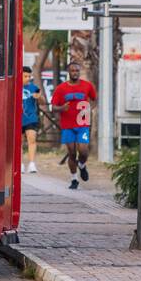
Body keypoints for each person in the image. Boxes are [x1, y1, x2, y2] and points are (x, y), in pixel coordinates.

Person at [51, 61, 97, 189]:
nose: (75, 73)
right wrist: (61, 108)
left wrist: (89, 109)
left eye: (77, 70)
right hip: (67, 125)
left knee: (83, 150)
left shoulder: (87, 86)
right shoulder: (61, 89)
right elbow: (53, 107)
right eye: (72, 71)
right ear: (68, 72)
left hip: (82, 123)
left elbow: (94, 99)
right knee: (71, 153)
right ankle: (74, 179)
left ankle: (82, 165)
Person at [20, 66, 43, 174]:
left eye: (29, 76)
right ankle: (19, 164)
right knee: (19, 142)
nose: (28, 78)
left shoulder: (34, 87)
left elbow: (42, 100)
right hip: (18, 118)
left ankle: (32, 163)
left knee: (32, 139)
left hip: (31, 118)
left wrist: (38, 96)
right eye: (25, 76)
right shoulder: (14, 86)